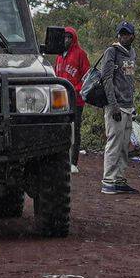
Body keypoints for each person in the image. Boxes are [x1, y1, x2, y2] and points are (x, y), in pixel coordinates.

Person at [99, 21, 137, 194]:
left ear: (132, 36)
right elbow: (106, 79)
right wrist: (113, 105)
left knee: (124, 145)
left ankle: (119, 179)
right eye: (121, 34)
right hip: (116, 106)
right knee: (114, 143)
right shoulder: (111, 52)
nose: (123, 36)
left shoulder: (131, 53)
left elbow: (129, 80)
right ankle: (108, 181)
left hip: (128, 106)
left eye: (127, 34)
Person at [54, 26, 90, 175]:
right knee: (60, 128)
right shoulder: (59, 56)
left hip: (76, 99)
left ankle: (73, 162)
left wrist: (76, 89)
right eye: (64, 37)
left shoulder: (80, 54)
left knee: (74, 129)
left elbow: (87, 76)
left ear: (73, 39)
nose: (66, 40)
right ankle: (59, 161)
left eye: (69, 37)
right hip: (60, 99)